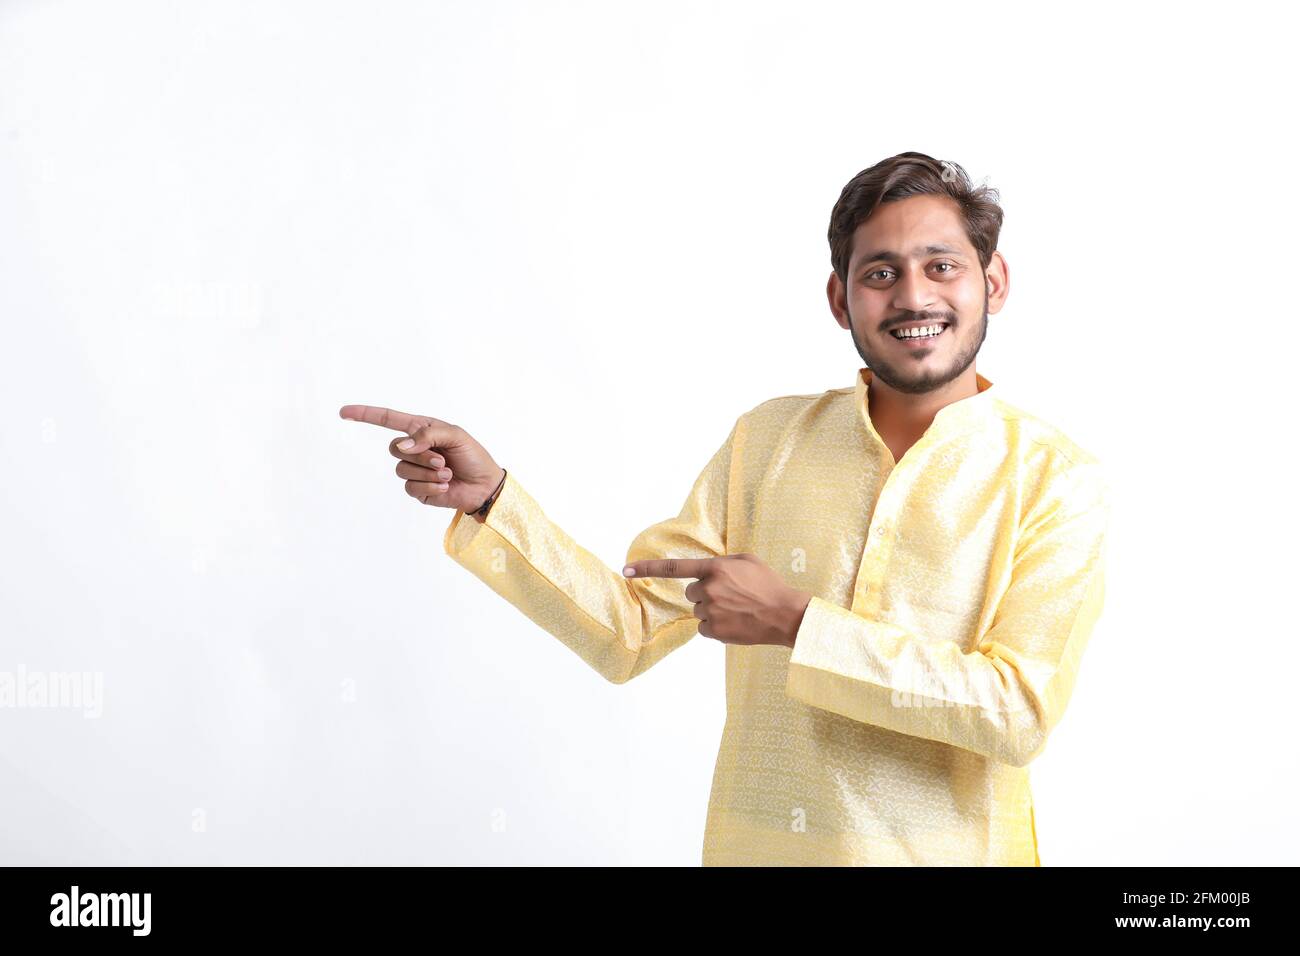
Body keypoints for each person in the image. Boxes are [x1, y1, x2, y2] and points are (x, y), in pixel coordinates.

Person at [339, 151, 1111, 866]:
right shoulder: (770, 441)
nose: (914, 296)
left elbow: (1017, 713)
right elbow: (629, 629)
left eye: (941, 266)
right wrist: (495, 502)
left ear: (994, 281)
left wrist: (797, 625)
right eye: (881, 273)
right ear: (841, 300)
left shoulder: (1052, 479)